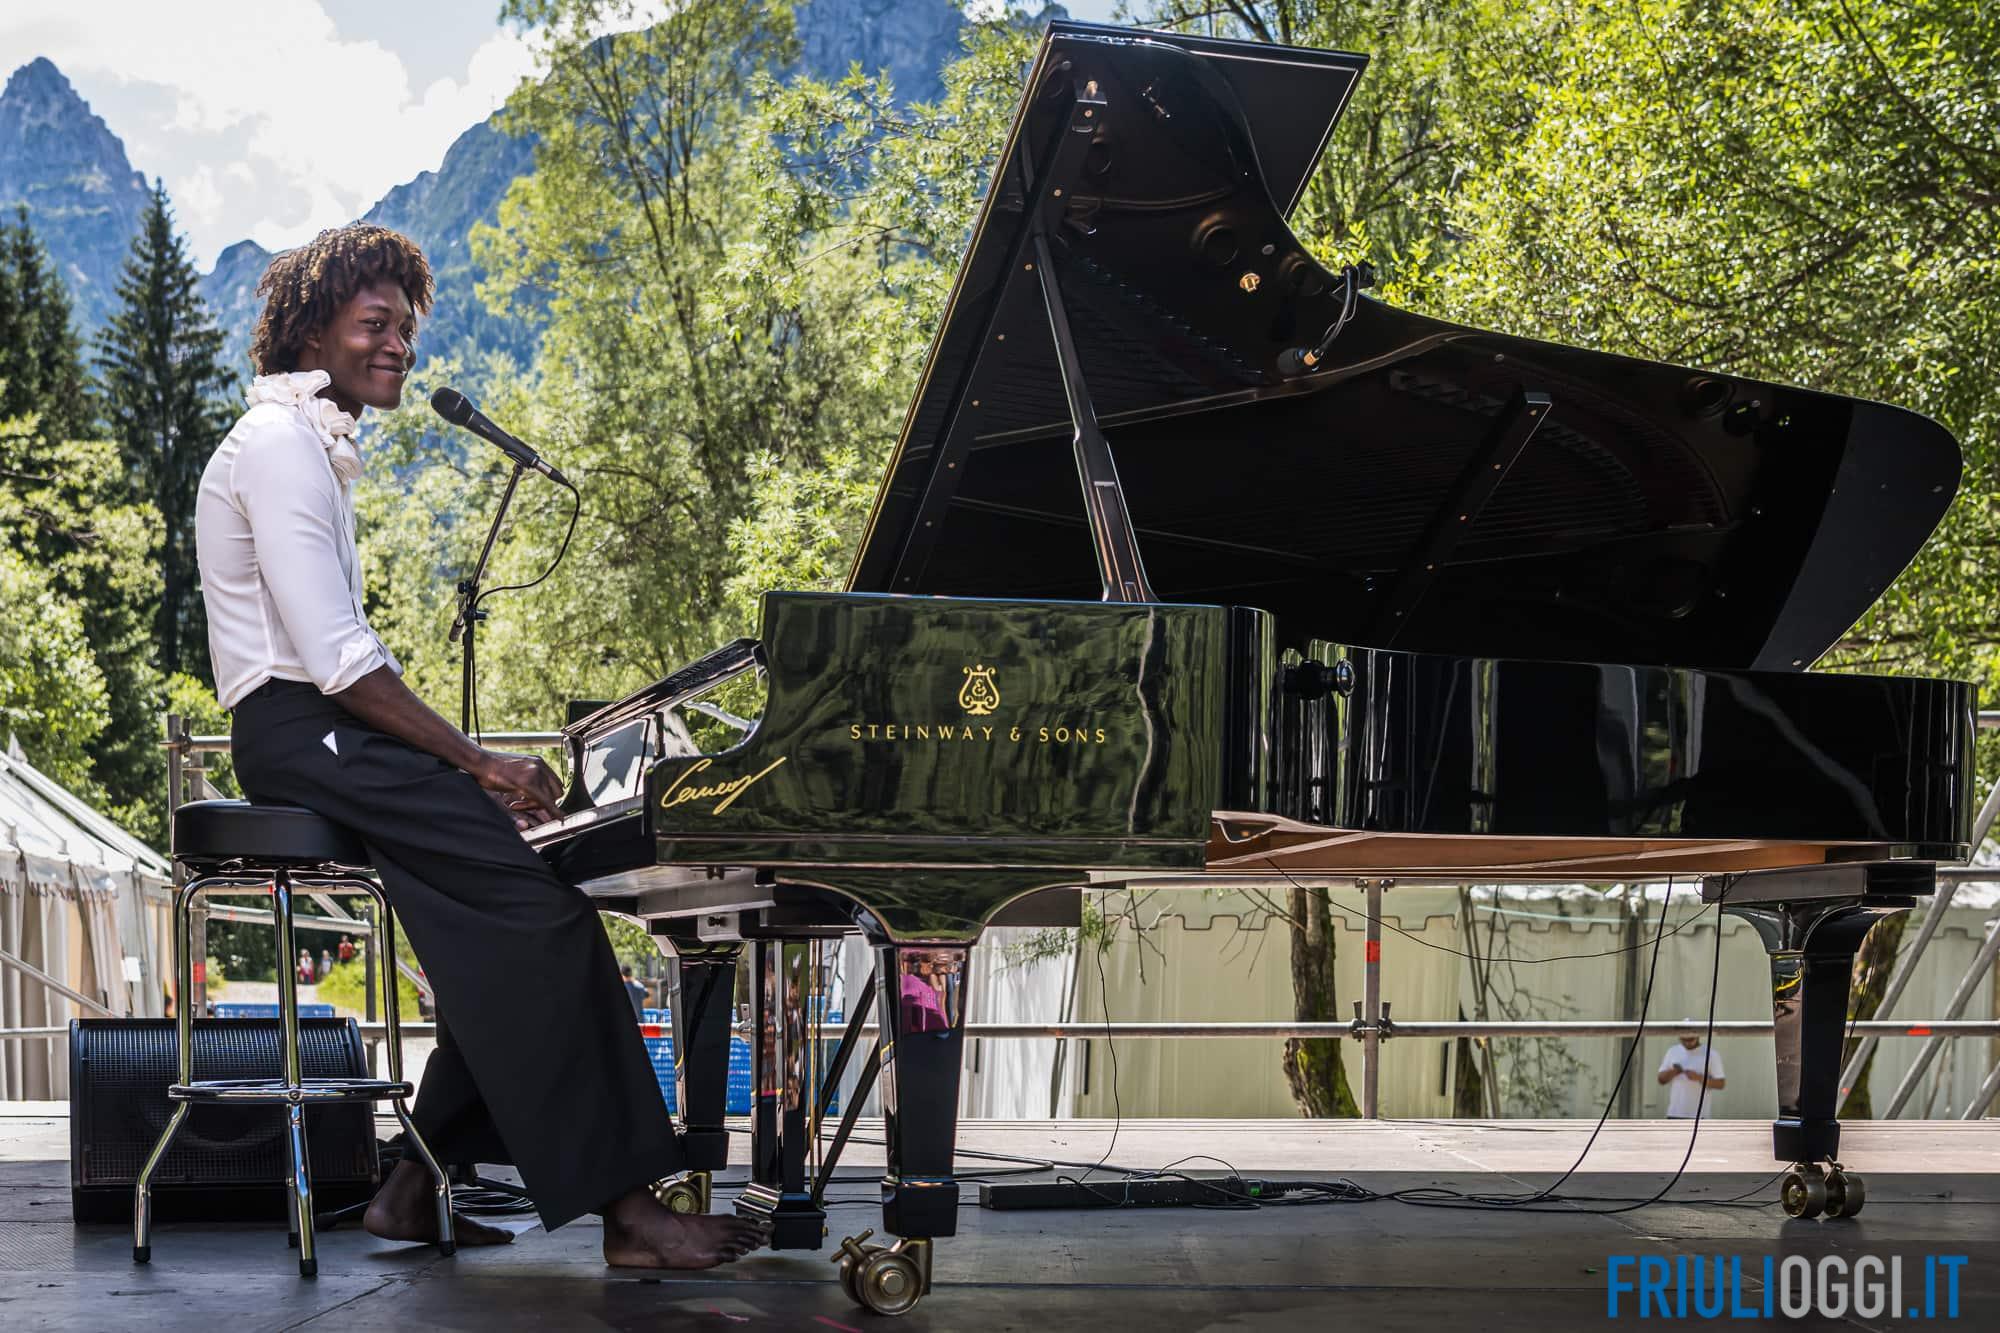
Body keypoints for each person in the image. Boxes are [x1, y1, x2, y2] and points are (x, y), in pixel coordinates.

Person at [193, 221, 763, 1269]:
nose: (399, 345)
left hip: (317, 727)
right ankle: (630, 1216)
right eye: (377, 323)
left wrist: (459, 770)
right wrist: (479, 764)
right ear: (313, 327)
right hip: (301, 727)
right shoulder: (278, 446)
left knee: (496, 931)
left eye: (406, 327)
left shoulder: (300, 440)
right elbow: (333, 654)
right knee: (540, 918)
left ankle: (411, 1189)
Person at [1657, 1022, 1725, 1118]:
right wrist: (1674, 1071)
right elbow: (1661, 1080)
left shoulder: (1711, 1054)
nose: (1687, 1042)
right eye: (1684, 1040)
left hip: (1700, 1115)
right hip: (1674, 1114)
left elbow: (1720, 1084)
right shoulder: (1672, 1051)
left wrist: (1699, 1078)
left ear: (1698, 1036)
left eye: (1690, 1039)